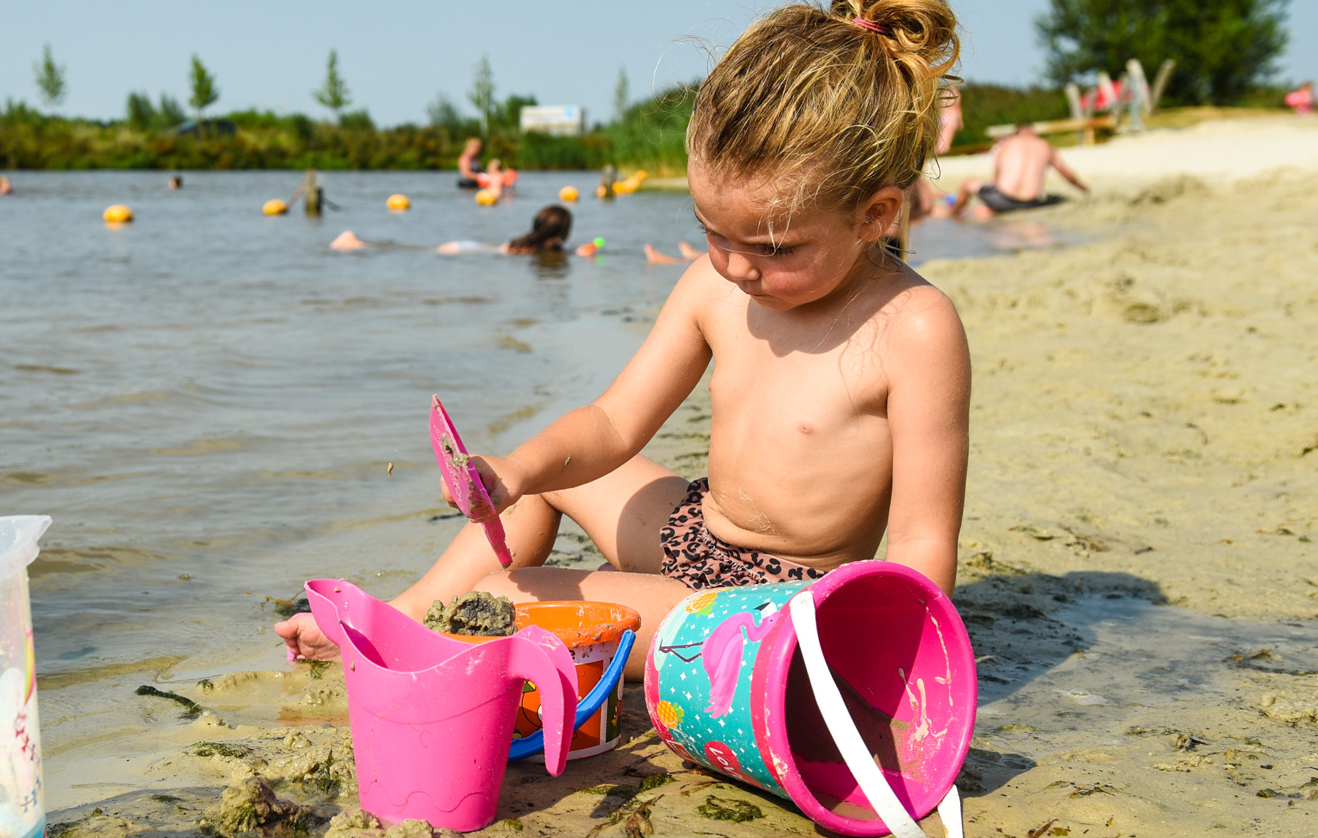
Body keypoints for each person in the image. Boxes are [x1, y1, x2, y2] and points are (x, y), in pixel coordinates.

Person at [279, 0, 972, 677]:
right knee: (548, 473)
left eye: (774, 247)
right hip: (695, 531)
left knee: (497, 603)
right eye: (713, 232)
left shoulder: (913, 328)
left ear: (874, 215)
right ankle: (400, 617)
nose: (736, 266)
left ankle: (428, 641)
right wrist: (516, 472)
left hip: (770, 611)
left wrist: (885, 672)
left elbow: (921, 541)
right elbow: (613, 423)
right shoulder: (713, 287)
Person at [951, 123, 1088, 219]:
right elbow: (1067, 175)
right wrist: (1082, 188)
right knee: (983, 211)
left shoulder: (1007, 144)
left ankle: (954, 214)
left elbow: (998, 175)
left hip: (1004, 198)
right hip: (1031, 203)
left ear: (1017, 132)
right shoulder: (1046, 146)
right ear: (1034, 132)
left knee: (967, 183)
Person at [331, 205, 572, 255]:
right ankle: (355, 243)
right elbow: (561, 254)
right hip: (462, 251)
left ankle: (357, 242)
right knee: (410, 250)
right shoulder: (539, 249)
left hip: (465, 246)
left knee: (412, 249)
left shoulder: (526, 243)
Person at [935, 81, 962, 154]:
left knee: (941, 137)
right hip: (952, 117)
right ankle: (943, 152)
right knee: (948, 136)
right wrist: (960, 121)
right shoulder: (956, 94)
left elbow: (940, 107)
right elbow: (957, 108)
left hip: (943, 117)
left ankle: (939, 151)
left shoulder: (944, 93)